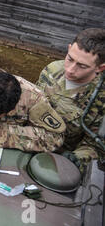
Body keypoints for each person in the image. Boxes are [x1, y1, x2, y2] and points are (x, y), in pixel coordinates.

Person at [36, 28, 105, 172]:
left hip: (57, 163)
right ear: (68, 48)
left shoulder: (101, 99)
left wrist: (76, 158)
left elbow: (95, 146)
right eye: (70, 59)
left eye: (82, 66)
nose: (70, 70)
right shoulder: (52, 70)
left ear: (100, 67)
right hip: (28, 141)